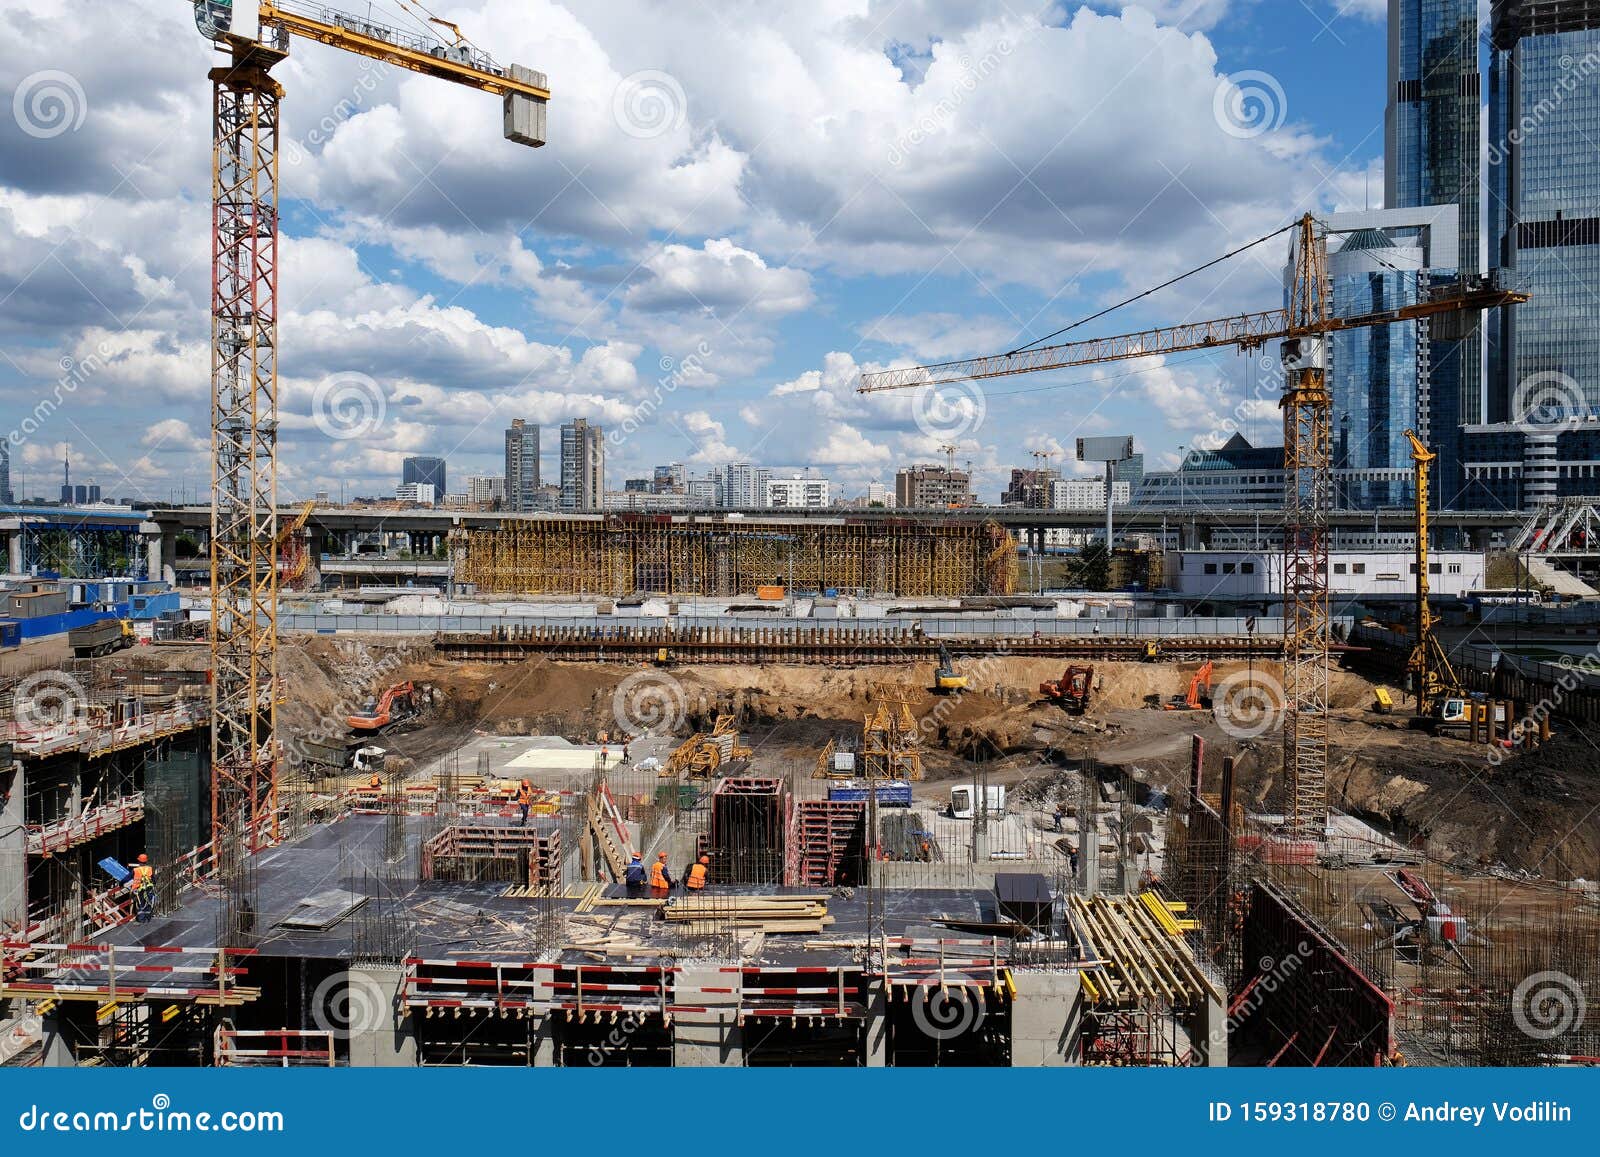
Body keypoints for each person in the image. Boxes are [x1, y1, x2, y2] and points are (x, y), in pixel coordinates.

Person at [131, 854, 155, 924]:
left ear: (139, 861)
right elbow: (153, 879)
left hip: (140, 890)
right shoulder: (149, 868)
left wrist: (121, 883)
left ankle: (141, 920)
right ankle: (147, 918)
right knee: (148, 903)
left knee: (140, 905)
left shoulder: (136, 870)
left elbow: (128, 877)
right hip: (149, 889)